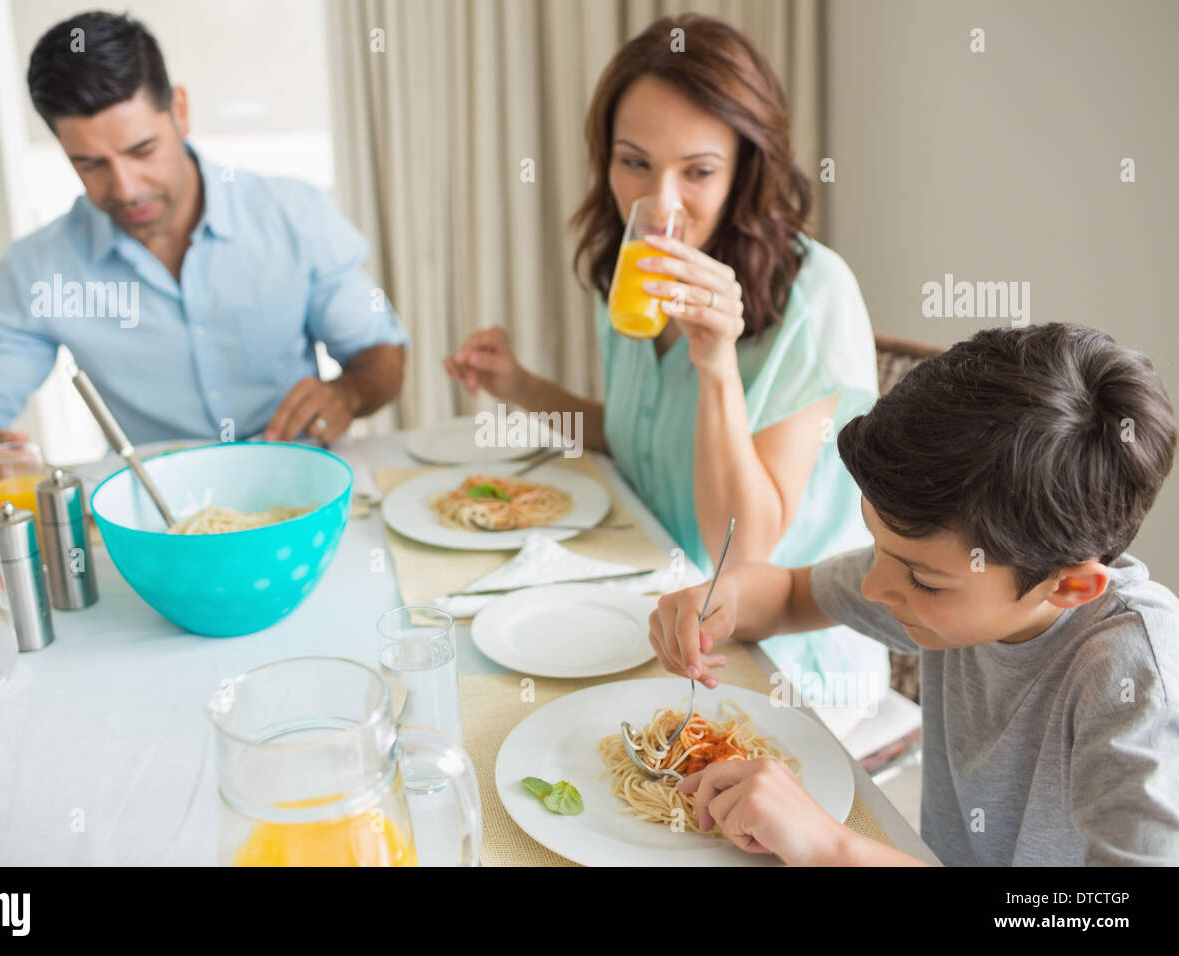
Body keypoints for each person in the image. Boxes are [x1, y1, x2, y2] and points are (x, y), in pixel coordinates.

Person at [444, 14, 887, 725]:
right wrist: (520, 386)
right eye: (635, 162)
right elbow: (638, 442)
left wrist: (716, 366)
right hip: (651, 599)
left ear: (747, 165)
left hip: (778, 659)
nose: (664, 203)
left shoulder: (816, 297)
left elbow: (740, 551)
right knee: (463, 681)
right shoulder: (628, 269)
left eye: (700, 170)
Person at [650, 323, 1179, 866]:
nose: (876, 588)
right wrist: (719, 602)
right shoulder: (959, 565)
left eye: (923, 580)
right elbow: (789, 595)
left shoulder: (1133, 678)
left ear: (1069, 585)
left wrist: (828, 846)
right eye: (876, 544)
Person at [0, 11, 408, 499]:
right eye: (90, 165)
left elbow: (382, 355)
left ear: (180, 109)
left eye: (142, 150)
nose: (127, 189)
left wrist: (348, 392)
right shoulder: (40, 269)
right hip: (156, 515)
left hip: (304, 490)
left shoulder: (295, 215)